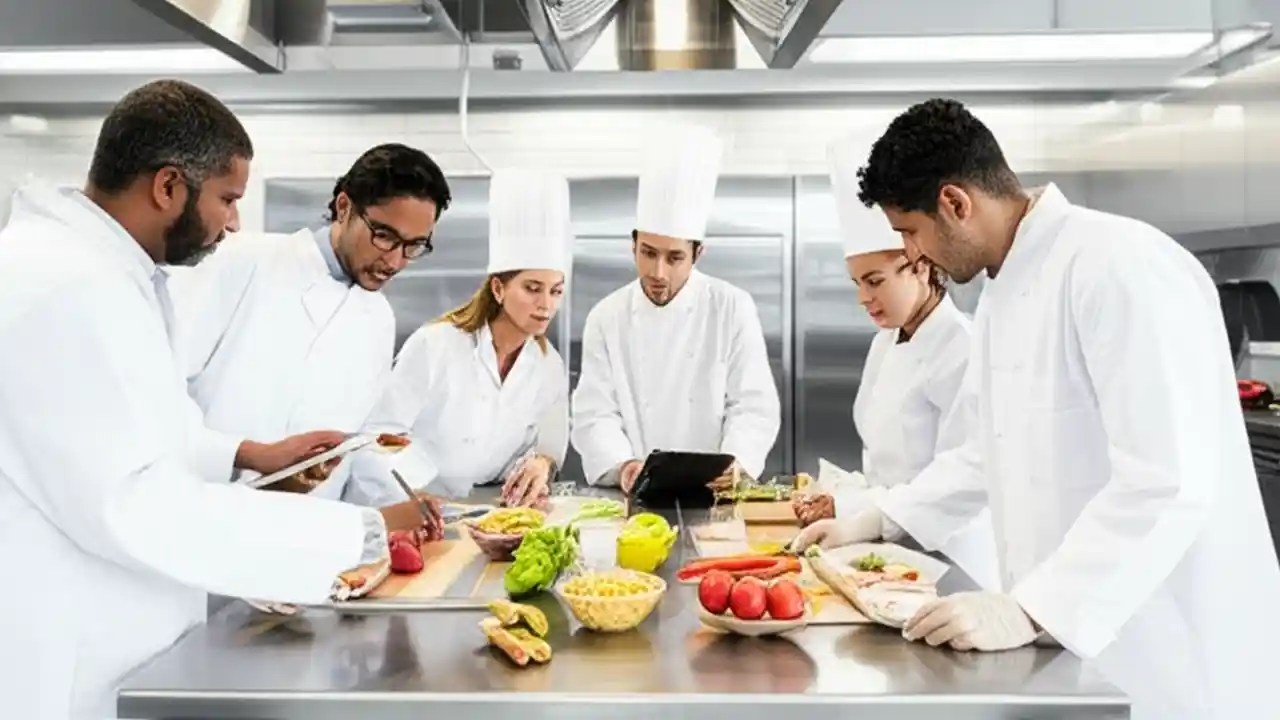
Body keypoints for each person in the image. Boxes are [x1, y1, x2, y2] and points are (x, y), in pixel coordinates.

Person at [795, 98, 1280, 719]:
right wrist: (879, 518)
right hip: (1073, 644)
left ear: (956, 203)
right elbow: (982, 454)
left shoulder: (1118, 266)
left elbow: (1166, 481)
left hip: (1171, 650)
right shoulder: (1003, 294)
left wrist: (1033, 606)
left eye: (910, 233)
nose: (916, 256)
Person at [0, 80, 420, 720]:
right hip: (66, 650)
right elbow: (130, 499)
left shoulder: (109, 273)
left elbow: (152, 424)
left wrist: (250, 454)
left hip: (127, 620)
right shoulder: (66, 286)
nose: (233, 221)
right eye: (227, 199)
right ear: (168, 187)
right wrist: (357, 533)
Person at [168, 143, 452, 498]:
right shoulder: (243, 261)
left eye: (414, 246)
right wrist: (247, 458)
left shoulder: (379, 318)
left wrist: (407, 498)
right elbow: (161, 391)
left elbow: (361, 440)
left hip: (305, 528)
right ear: (344, 207)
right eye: (384, 236)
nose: (395, 261)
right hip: (202, 506)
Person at [791, 133, 999, 591]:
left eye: (875, 281)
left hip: (951, 560)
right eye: (856, 283)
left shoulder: (960, 346)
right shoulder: (885, 344)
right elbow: (884, 470)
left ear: (920, 263)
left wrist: (857, 516)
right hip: (890, 552)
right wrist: (842, 502)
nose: (864, 298)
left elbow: (964, 477)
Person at [571, 125, 781, 492]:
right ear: (632, 244)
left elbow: (752, 406)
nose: (658, 272)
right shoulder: (607, 317)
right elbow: (595, 413)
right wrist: (624, 466)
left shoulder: (731, 307)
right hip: (634, 498)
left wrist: (735, 463)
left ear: (698, 254)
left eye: (675, 258)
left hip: (717, 495)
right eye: (648, 253)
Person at [356, 168, 572, 505]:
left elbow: (549, 444)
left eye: (556, 291)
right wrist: (418, 496)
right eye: (532, 289)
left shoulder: (548, 364)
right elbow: (379, 438)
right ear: (499, 288)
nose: (546, 305)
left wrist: (540, 465)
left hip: (489, 511)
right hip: (413, 506)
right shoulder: (435, 345)